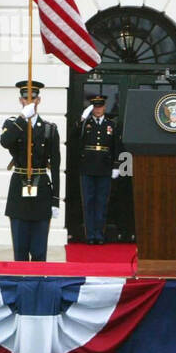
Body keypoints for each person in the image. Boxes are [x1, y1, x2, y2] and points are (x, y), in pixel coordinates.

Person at [0, 80, 61, 262]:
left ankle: (39, 285)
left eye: (32, 99)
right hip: (19, 188)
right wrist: (21, 118)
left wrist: (56, 199)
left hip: (41, 189)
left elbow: (56, 166)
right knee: (20, 250)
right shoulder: (13, 124)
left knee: (39, 251)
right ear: (21, 101)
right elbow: (5, 142)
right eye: (25, 99)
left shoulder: (50, 129)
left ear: (38, 100)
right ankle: (21, 285)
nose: (29, 102)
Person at [78, 94, 120, 245]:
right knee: (88, 201)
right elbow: (76, 137)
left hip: (104, 167)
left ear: (104, 107)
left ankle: (99, 234)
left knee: (101, 202)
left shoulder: (111, 125)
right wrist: (82, 120)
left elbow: (116, 146)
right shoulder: (86, 124)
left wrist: (116, 165)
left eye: (100, 107)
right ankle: (90, 235)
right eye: (95, 107)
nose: (98, 110)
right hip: (88, 167)